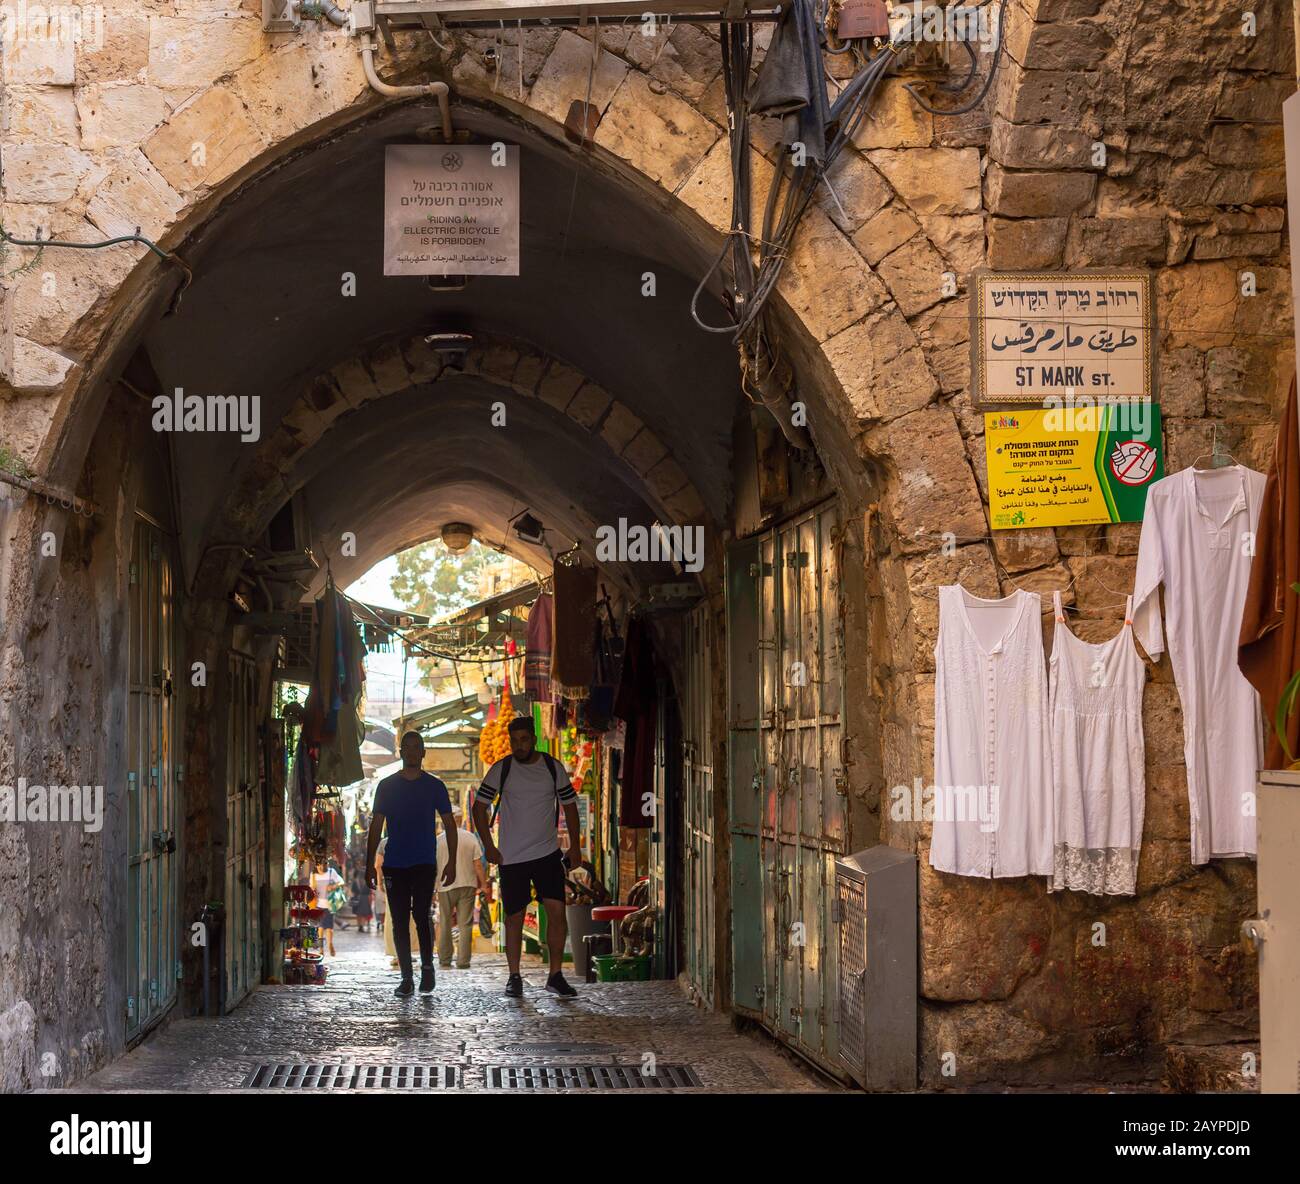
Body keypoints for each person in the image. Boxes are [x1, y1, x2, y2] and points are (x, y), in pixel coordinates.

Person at [473, 716, 582, 998]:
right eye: (515, 741)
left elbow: (570, 806)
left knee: (557, 913)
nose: (519, 746)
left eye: (524, 740)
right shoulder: (502, 769)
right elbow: (479, 808)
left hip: (547, 853)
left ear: (533, 739)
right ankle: (514, 976)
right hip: (512, 857)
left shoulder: (551, 767)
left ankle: (555, 975)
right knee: (514, 918)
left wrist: (575, 847)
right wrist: (489, 846)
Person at [366, 731, 457, 997]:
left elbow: (449, 823)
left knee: (422, 915)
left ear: (423, 752)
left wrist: (450, 861)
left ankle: (427, 967)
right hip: (394, 863)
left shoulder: (435, 786)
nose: (412, 751)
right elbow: (376, 825)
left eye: (417, 747)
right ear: (400, 751)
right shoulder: (386, 786)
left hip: (424, 862)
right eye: (407, 747)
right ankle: (406, 977)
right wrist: (370, 863)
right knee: (399, 920)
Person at [436, 807, 488, 969]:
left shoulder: (439, 840)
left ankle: (445, 959)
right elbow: (478, 864)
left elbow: (434, 867)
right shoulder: (470, 838)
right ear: (460, 819)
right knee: (465, 924)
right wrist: (484, 884)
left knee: (444, 921)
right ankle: (463, 961)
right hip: (467, 884)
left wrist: (432, 888)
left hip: (445, 886)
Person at [309, 859, 342, 957]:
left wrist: (333, 886)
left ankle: (330, 944)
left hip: (329, 904)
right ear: (316, 865)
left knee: (329, 928)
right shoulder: (313, 875)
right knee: (320, 928)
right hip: (318, 905)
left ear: (327, 864)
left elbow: (341, 882)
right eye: (319, 864)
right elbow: (311, 888)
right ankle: (321, 948)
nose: (321, 867)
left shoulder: (332, 872)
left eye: (324, 864)